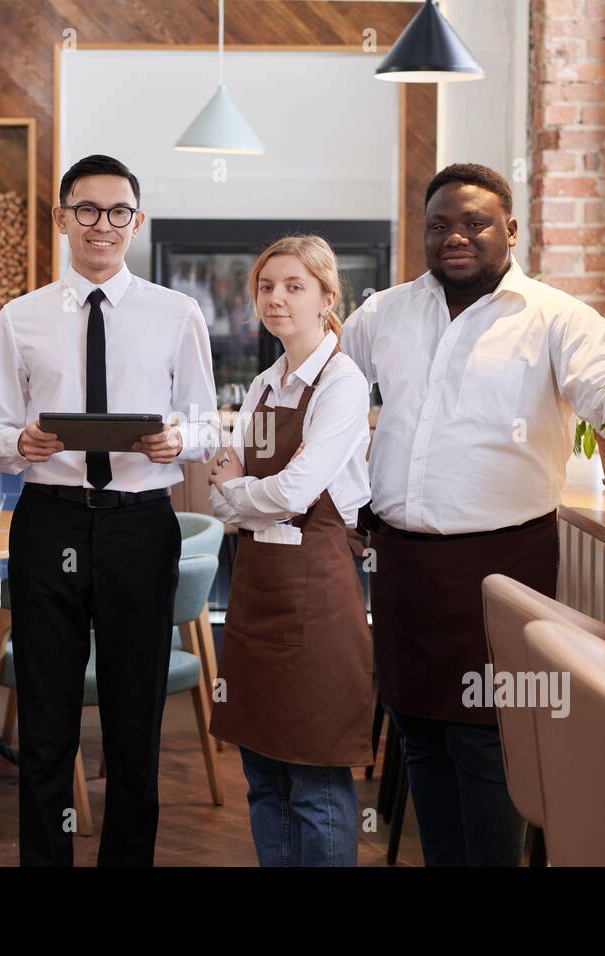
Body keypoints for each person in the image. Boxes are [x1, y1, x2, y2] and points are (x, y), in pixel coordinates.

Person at [341, 163, 605, 867]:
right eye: (440, 225)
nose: (455, 236)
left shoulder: (557, 317)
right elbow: (332, 394)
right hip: (401, 562)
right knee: (417, 733)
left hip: (503, 566)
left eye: (474, 222)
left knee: (486, 740)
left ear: (512, 230)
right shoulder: (384, 313)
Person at [0, 154, 220, 867]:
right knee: (46, 719)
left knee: (134, 719)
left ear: (136, 223)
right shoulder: (20, 319)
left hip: (140, 524)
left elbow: (209, 425)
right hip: (48, 516)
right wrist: (20, 442)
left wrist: (181, 439)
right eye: (86, 209)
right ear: (61, 218)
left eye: (118, 212)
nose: (102, 225)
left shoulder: (177, 314)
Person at [207, 235, 374, 867]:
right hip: (258, 593)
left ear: (329, 298)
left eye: (294, 286)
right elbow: (221, 504)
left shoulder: (342, 383)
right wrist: (250, 493)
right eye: (267, 286)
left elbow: (298, 490)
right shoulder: (263, 385)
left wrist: (240, 487)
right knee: (262, 776)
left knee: (316, 780)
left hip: (317, 598)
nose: (276, 298)